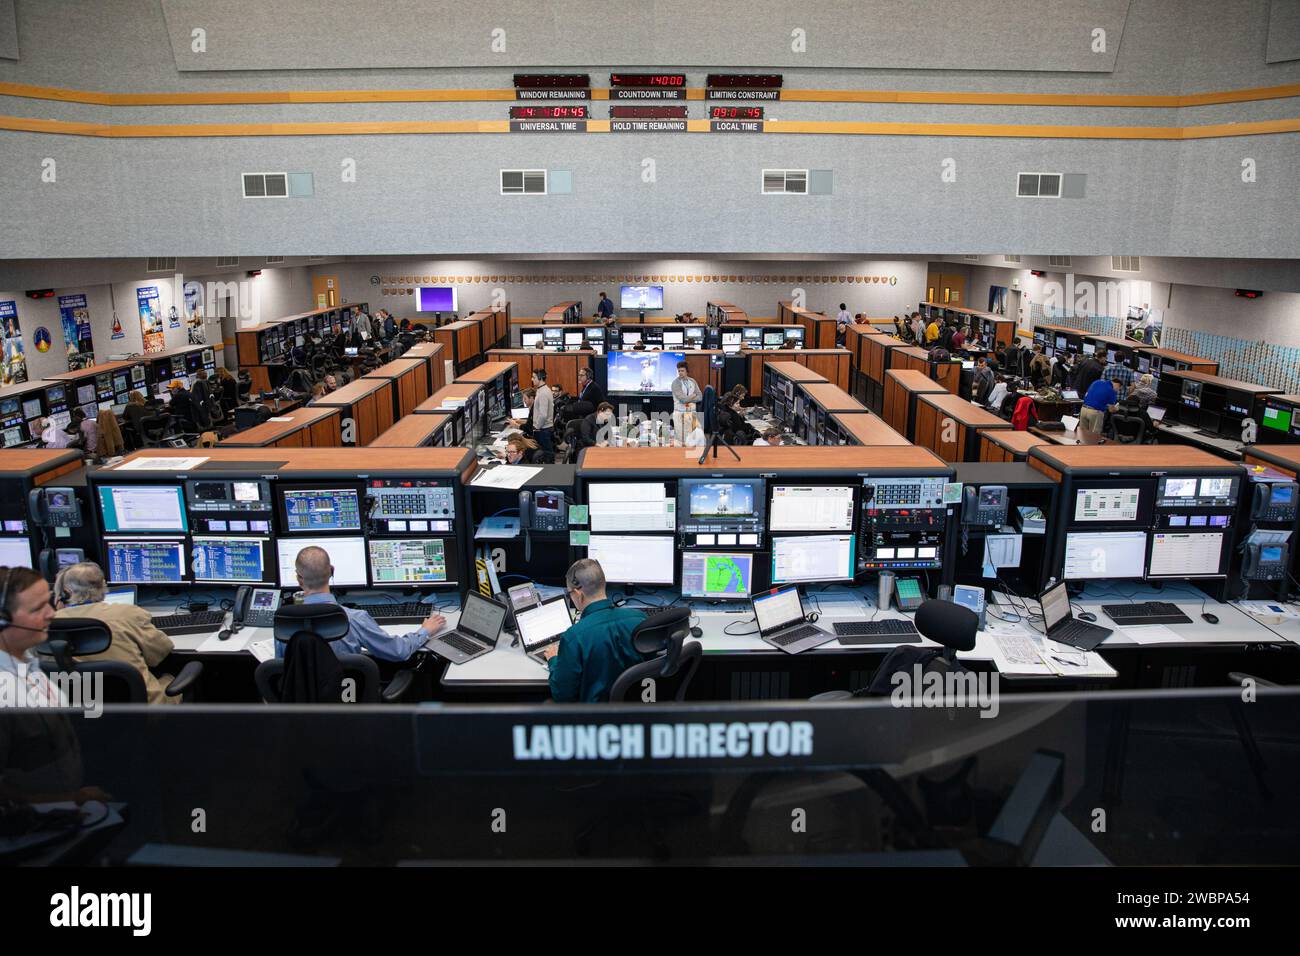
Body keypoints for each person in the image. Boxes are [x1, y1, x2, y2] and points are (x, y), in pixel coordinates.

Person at [279, 546, 444, 662]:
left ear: (299, 579)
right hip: (345, 698)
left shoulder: (284, 623)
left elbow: (281, 665)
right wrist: (425, 631)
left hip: (298, 706)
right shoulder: (354, 618)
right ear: (332, 571)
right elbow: (398, 651)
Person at [52, 562, 178, 705]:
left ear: (65, 593)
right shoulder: (127, 614)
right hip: (141, 710)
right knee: (173, 676)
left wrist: (59, 611)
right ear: (103, 586)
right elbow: (161, 652)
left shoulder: (46, 627)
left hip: (77, 717)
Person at [540, 559, 647, 703]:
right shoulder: (640, 619)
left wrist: (554, 661)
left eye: (569, 593)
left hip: (593, 719)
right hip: (637, 710)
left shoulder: (574, 637)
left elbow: (562, 695)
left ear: (579, 594)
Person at [0, 567, 65, 709]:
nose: (52, 614)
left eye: (48, 602)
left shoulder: (26, 662)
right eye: (38, 608)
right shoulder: (6, 695)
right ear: (3, 620)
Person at [525, 369, 555, 457]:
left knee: (547, 456)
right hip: (543, 429)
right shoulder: (543, 389)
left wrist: (536, 427)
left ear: (540, 378)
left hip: (543, 430)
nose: (532, 379)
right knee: (545, 455)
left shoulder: (543, 393)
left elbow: (543, 415)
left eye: (534, 377)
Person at [671, 360, 702, 442]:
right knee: (683, 441)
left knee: (698, 437)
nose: (680, 373)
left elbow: (700, 397)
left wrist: (689, 398)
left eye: (682, 371)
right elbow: (683, 400)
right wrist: (693, 395)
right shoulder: (675, 383)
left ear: (687, 371)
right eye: (679, 371)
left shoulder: (692, 381)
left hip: (692, 414)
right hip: (680, 414)